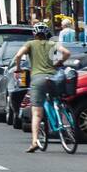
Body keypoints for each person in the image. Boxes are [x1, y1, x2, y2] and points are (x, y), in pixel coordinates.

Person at [14, 22, 70, 152]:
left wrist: (18, 69)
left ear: (34, 34)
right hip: (54, 78)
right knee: (57, 99)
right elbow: (66, 52)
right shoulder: (52, 44)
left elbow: (18, 55)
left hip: (38, 79)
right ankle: (62, 119)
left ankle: (34, 141)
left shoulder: (30, 44)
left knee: (37, 113)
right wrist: (59, 62)